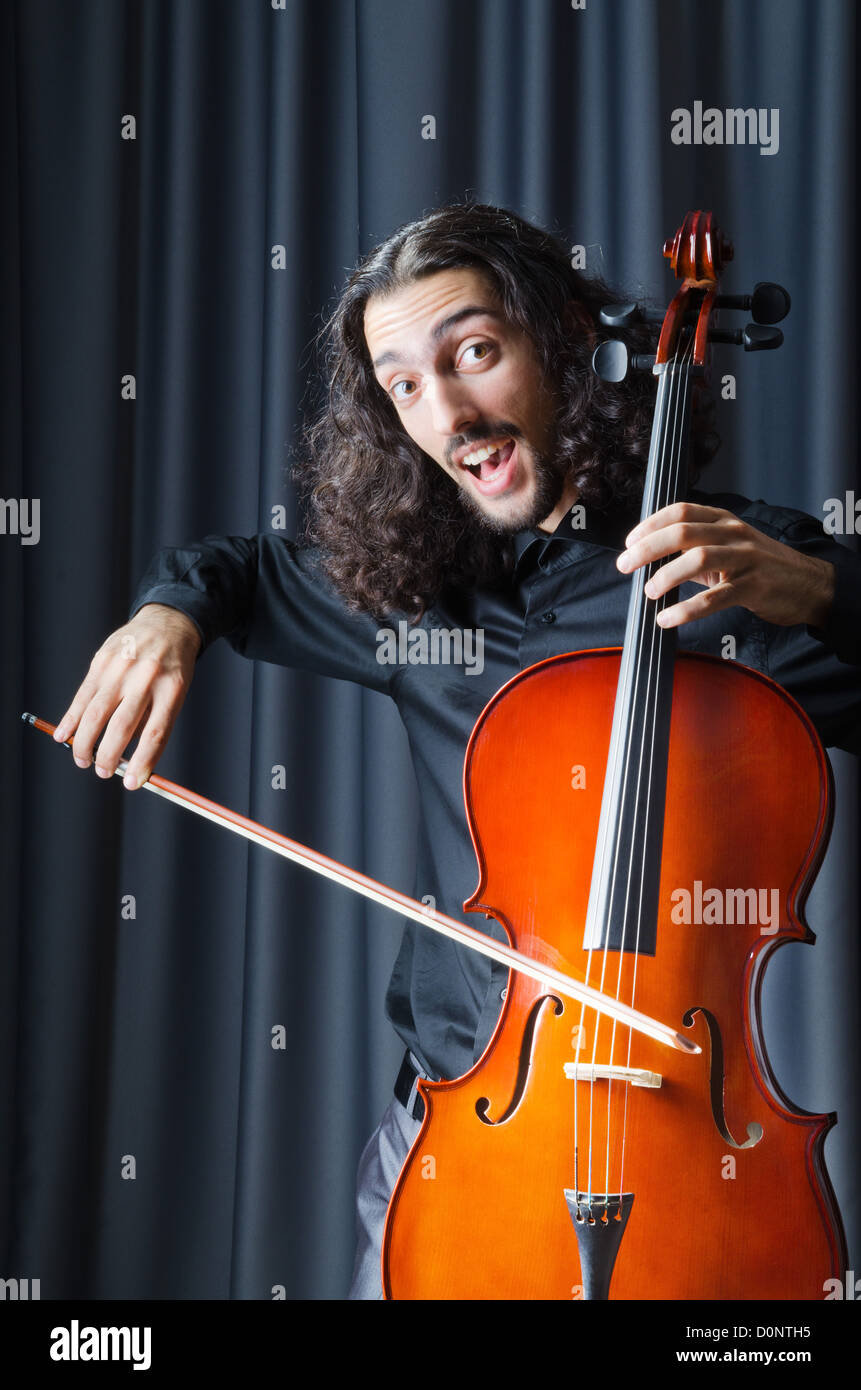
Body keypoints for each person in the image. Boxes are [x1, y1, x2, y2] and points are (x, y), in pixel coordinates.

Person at [52, 205, 861, 1298]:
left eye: (474, 352)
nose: (448, 412)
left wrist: (822, 591)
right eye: (405, 385)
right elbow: (234, 567)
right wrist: (166, 616)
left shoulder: (735, 573)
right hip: (456, 1126)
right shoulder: (417, 593)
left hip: (696, 1144)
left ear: (571, 339)